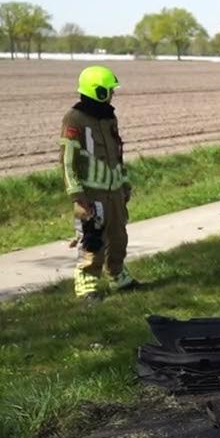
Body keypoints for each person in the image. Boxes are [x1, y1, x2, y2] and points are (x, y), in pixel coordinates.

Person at [61, 65, 138, 301]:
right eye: (109, 90)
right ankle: (86, 285)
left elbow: (117, 153)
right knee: (92, 240)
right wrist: (77, 197)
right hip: (91, 193)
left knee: (118, 237)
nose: (113, 95)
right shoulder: (75, 118)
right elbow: (68, 161)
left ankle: (118, 276)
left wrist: (124, 183)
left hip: (114, 190)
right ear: (97, 91)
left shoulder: (109, 116)